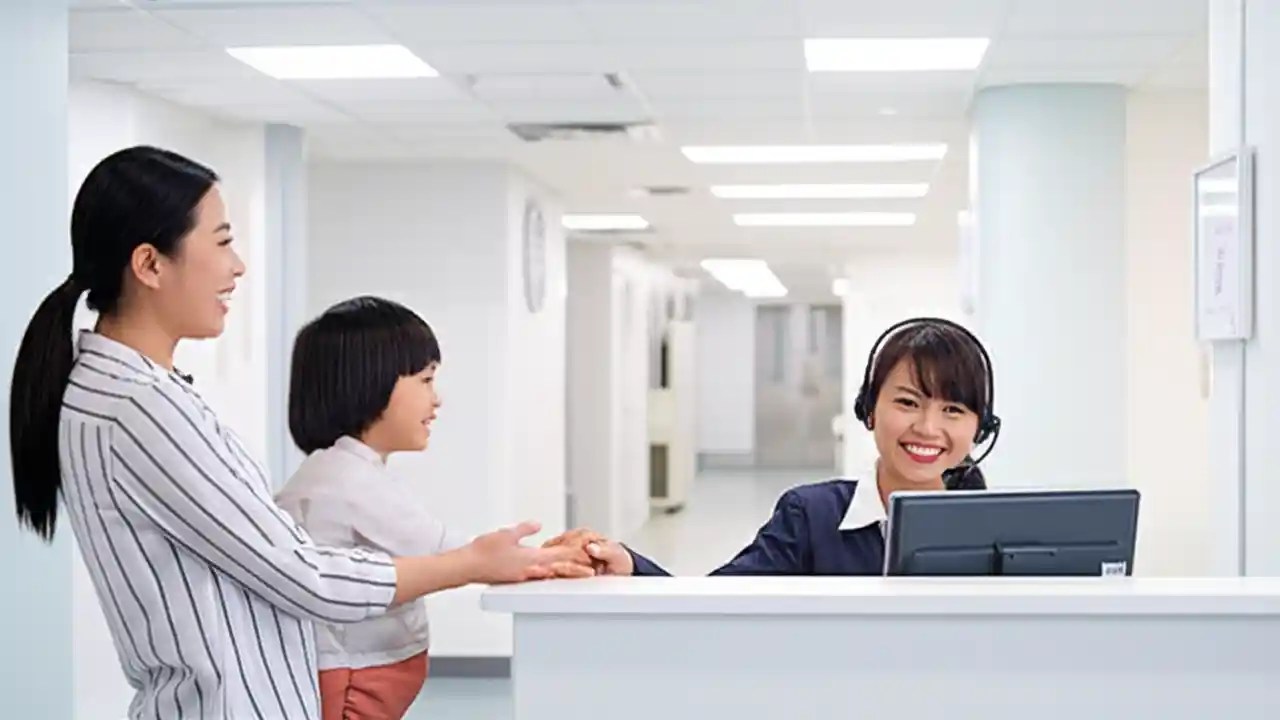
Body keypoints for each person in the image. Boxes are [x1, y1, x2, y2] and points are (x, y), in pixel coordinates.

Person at [7, 146, 589, 720]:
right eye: (223, 241)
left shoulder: (114, 392)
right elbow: (305, 574)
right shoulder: (138, 409)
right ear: (150, 264)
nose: (238, 266)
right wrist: (472, 564)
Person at [548, 317, 998, 576]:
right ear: (869, 410)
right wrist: (631, 565)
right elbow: (717, 605)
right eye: (907, 402)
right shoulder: (811, 516)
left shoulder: (999, 530)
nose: (927, 427)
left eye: (953, 410)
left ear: (979, 428)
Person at [275, 296, 467, 720]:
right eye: (425, 380)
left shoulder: (351, 470)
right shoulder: (344, 479)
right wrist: (541, 559)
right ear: (370, 384)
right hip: (351, 683)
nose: (437, 401)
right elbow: (447, 551)